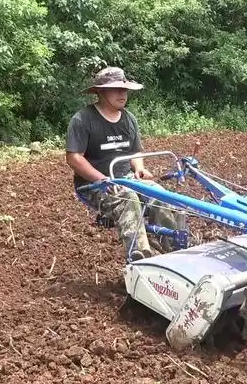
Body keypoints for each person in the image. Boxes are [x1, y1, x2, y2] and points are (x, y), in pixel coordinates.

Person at [65, 66, 177, 261]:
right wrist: (103, 179)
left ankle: (175, 251)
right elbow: (74, 158)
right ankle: (140, 258)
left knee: (160, 194)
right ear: (100, 91)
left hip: (127, 179)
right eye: (116, 89)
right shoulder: (83, 119)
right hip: (95, 185)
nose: (122, 94)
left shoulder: (129, 119)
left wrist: (139, 168)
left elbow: (134, 151)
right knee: (129, 198)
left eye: (124, 89)